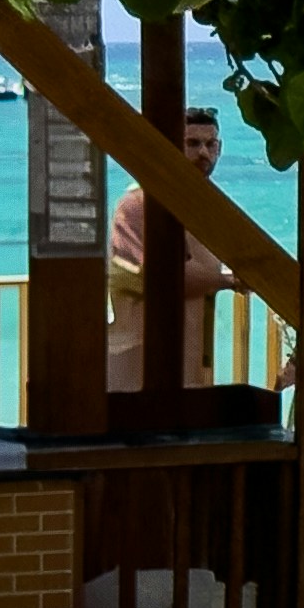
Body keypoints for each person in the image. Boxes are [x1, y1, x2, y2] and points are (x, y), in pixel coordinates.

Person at [109, 105, 229, 393]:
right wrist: (231, 280)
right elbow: (162, 276)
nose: (203, 153)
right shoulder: (138, 205)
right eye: (192, 143)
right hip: (141, 357)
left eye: (210, 144)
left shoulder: (208, 206)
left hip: (191, 354)